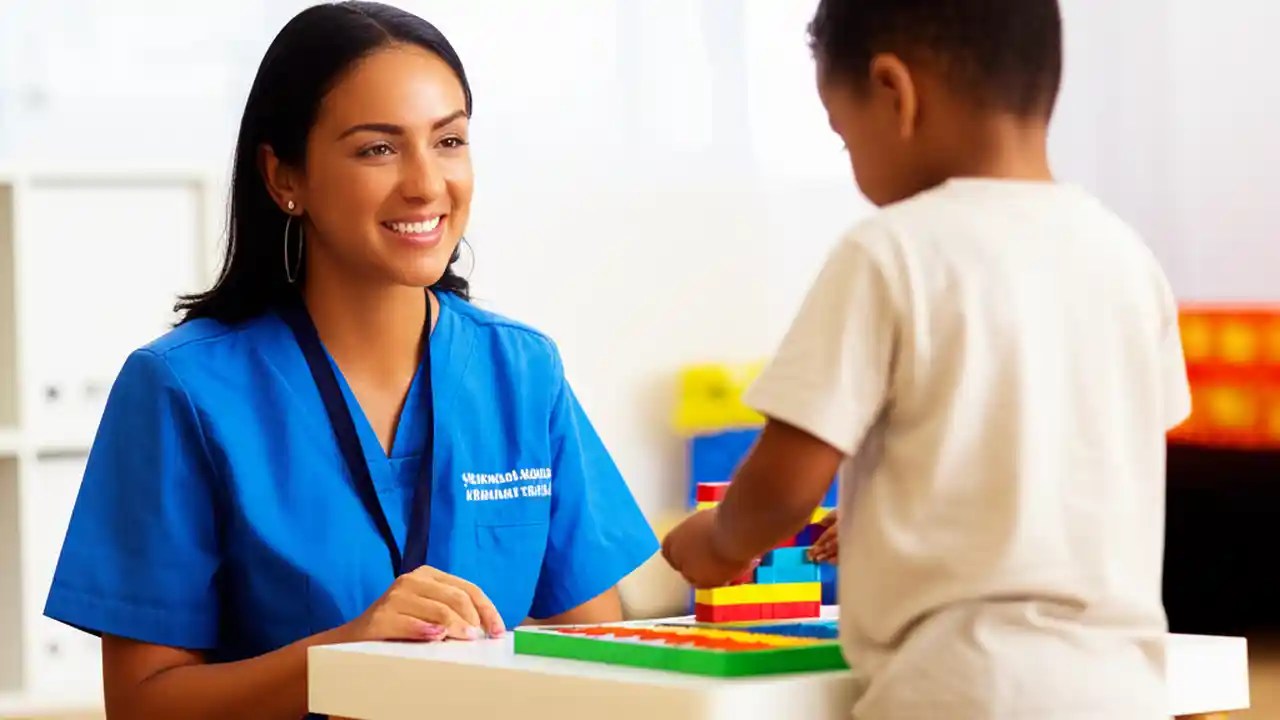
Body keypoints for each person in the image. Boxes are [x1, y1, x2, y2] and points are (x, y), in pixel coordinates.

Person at [43, 3, 657, 718]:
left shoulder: (522, 372)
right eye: (378, 149)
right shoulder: (182, 389)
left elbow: (600, 653)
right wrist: (345, 657)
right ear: (284, 179)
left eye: (449, 140)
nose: (427, 184)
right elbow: (142, 705)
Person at [663, 0, 1190, 718]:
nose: (853, 165)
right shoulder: (1126, 257)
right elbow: (1093, 461)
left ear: (894, 93)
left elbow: (786, 483)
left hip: (961, 687)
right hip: (1123, 684)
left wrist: (721, 542)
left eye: (845, 139)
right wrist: (903, 508)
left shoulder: (889, 251)